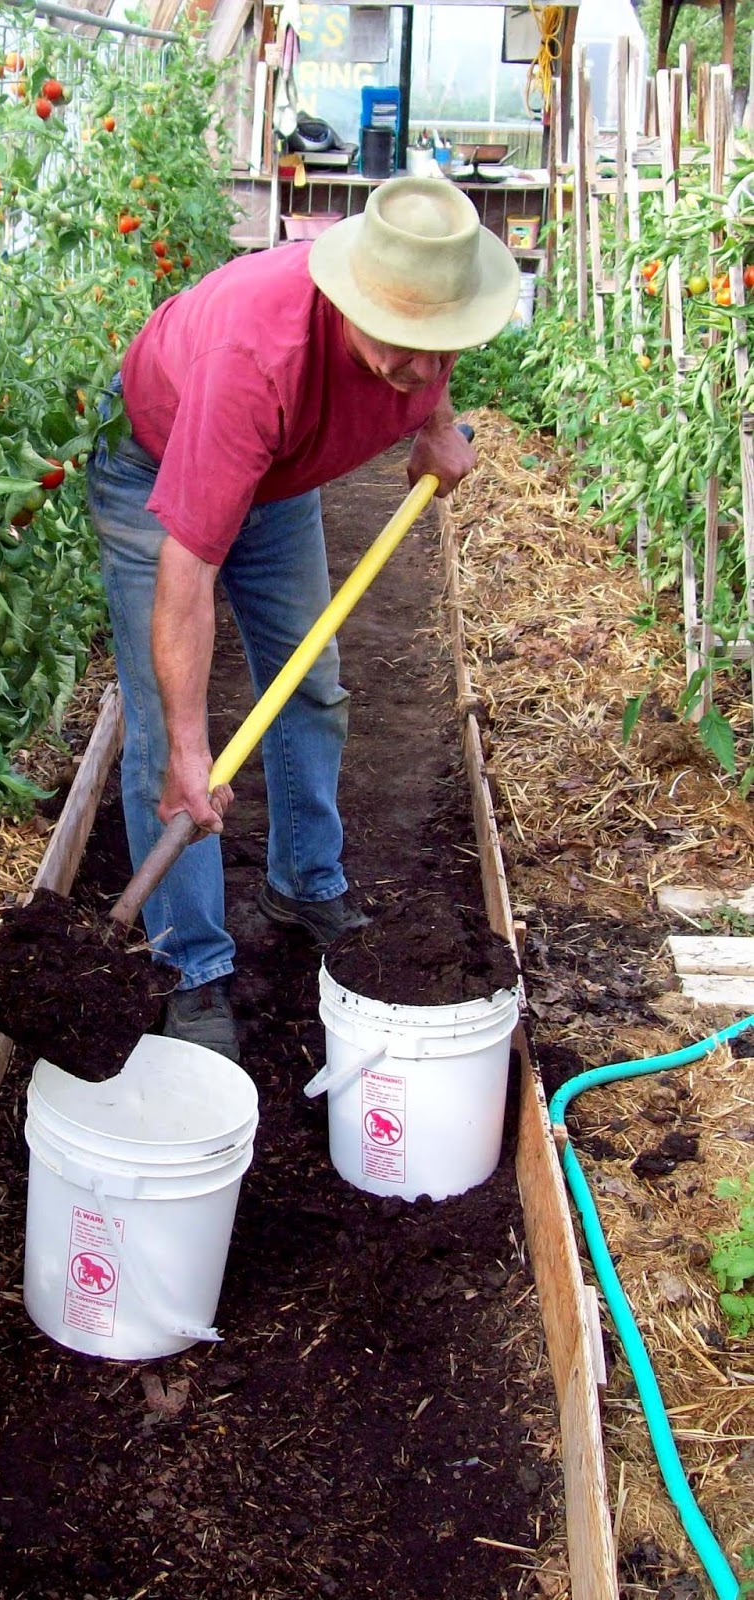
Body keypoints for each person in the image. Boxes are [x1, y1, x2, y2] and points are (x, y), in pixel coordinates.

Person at [87, 176, 520, 1064]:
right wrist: (186, 748)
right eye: (395, 344)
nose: (414, 364)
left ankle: (304, 882)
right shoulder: (258, 357)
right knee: (165, 751)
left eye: (431, 345)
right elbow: (190, 565)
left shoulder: (423, 325)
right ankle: (191, 962)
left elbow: (428, 352)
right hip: (158, 469)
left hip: (279, 481)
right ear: (347, 297)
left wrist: (434, 425)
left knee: (310, 685)